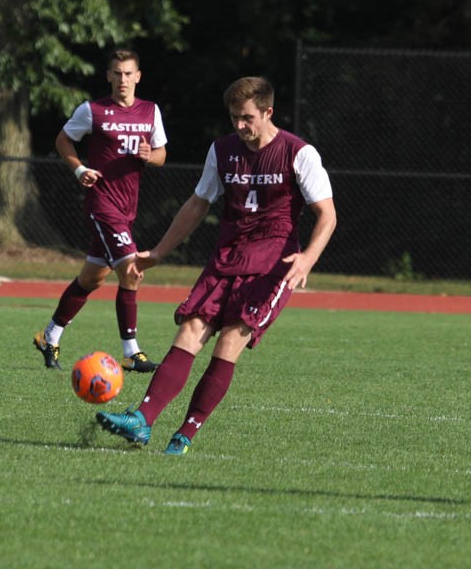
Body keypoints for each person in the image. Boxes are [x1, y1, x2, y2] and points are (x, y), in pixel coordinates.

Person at [95, 76, 337, 454]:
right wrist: (159, 252)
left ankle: (185, 434)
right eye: (233, 118)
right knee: (190, 330)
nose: (239, 126)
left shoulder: (299, 152)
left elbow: (327, 215)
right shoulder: (222, 150)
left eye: (247, 118)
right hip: (227, 257)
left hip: (273, 265)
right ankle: (141, 420)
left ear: (268, 112)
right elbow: (197, 204)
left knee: (228, 342)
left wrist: (307, 258)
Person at [33, 49, 167, 372]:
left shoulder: (150, 111)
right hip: (101, 205)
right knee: (133, 270)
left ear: (138, 76)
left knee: (92, 278)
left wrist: (150, 156)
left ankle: (48, 336)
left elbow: (162, 154)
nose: (122, 79)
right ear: (108, 76)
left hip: (127, 209)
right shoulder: (93, 110)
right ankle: (131, 353)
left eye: (128, 73)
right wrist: (79, 169)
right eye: (116, 73)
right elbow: (63, 140)